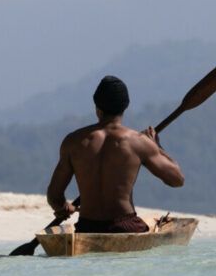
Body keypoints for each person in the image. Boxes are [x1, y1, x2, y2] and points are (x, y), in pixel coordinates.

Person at [47, 76, 184, 233]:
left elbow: (54, 196)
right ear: (125, 106)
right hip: (125, 227)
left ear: (97, 108)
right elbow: (177, 180)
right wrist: (156, 146)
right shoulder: (138, 142)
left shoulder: (73, 141)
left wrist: (64, 208)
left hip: (86, 227)